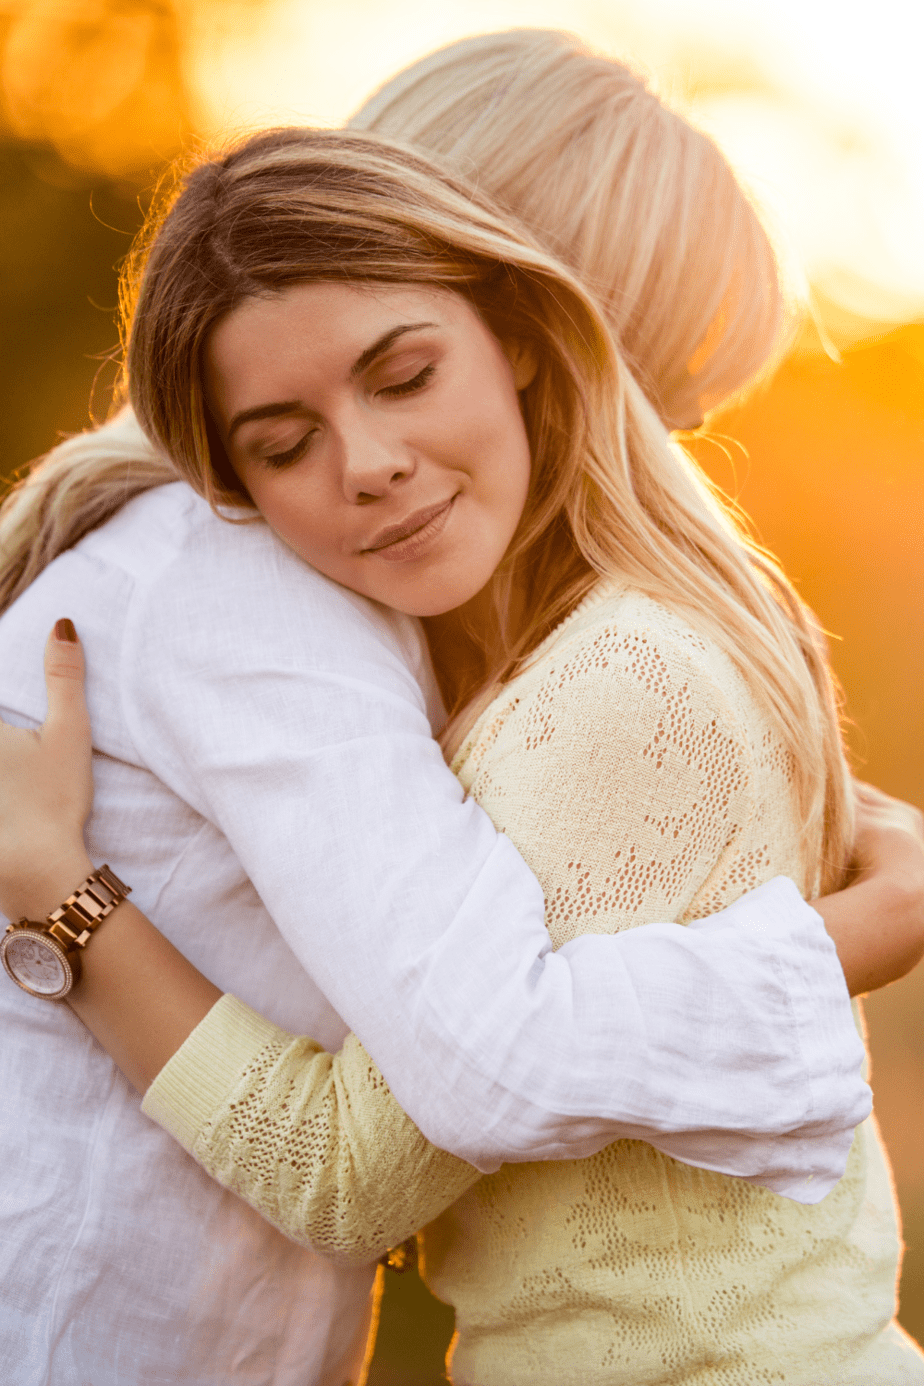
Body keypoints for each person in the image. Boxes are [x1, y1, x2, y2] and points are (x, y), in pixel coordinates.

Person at [0, 118, 922, 1386]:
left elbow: (344, 1171)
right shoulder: (563, 668)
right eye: (282, 446)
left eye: (404, 375)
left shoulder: (609, 685)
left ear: (528, 343)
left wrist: (62, 897)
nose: (368, 465)